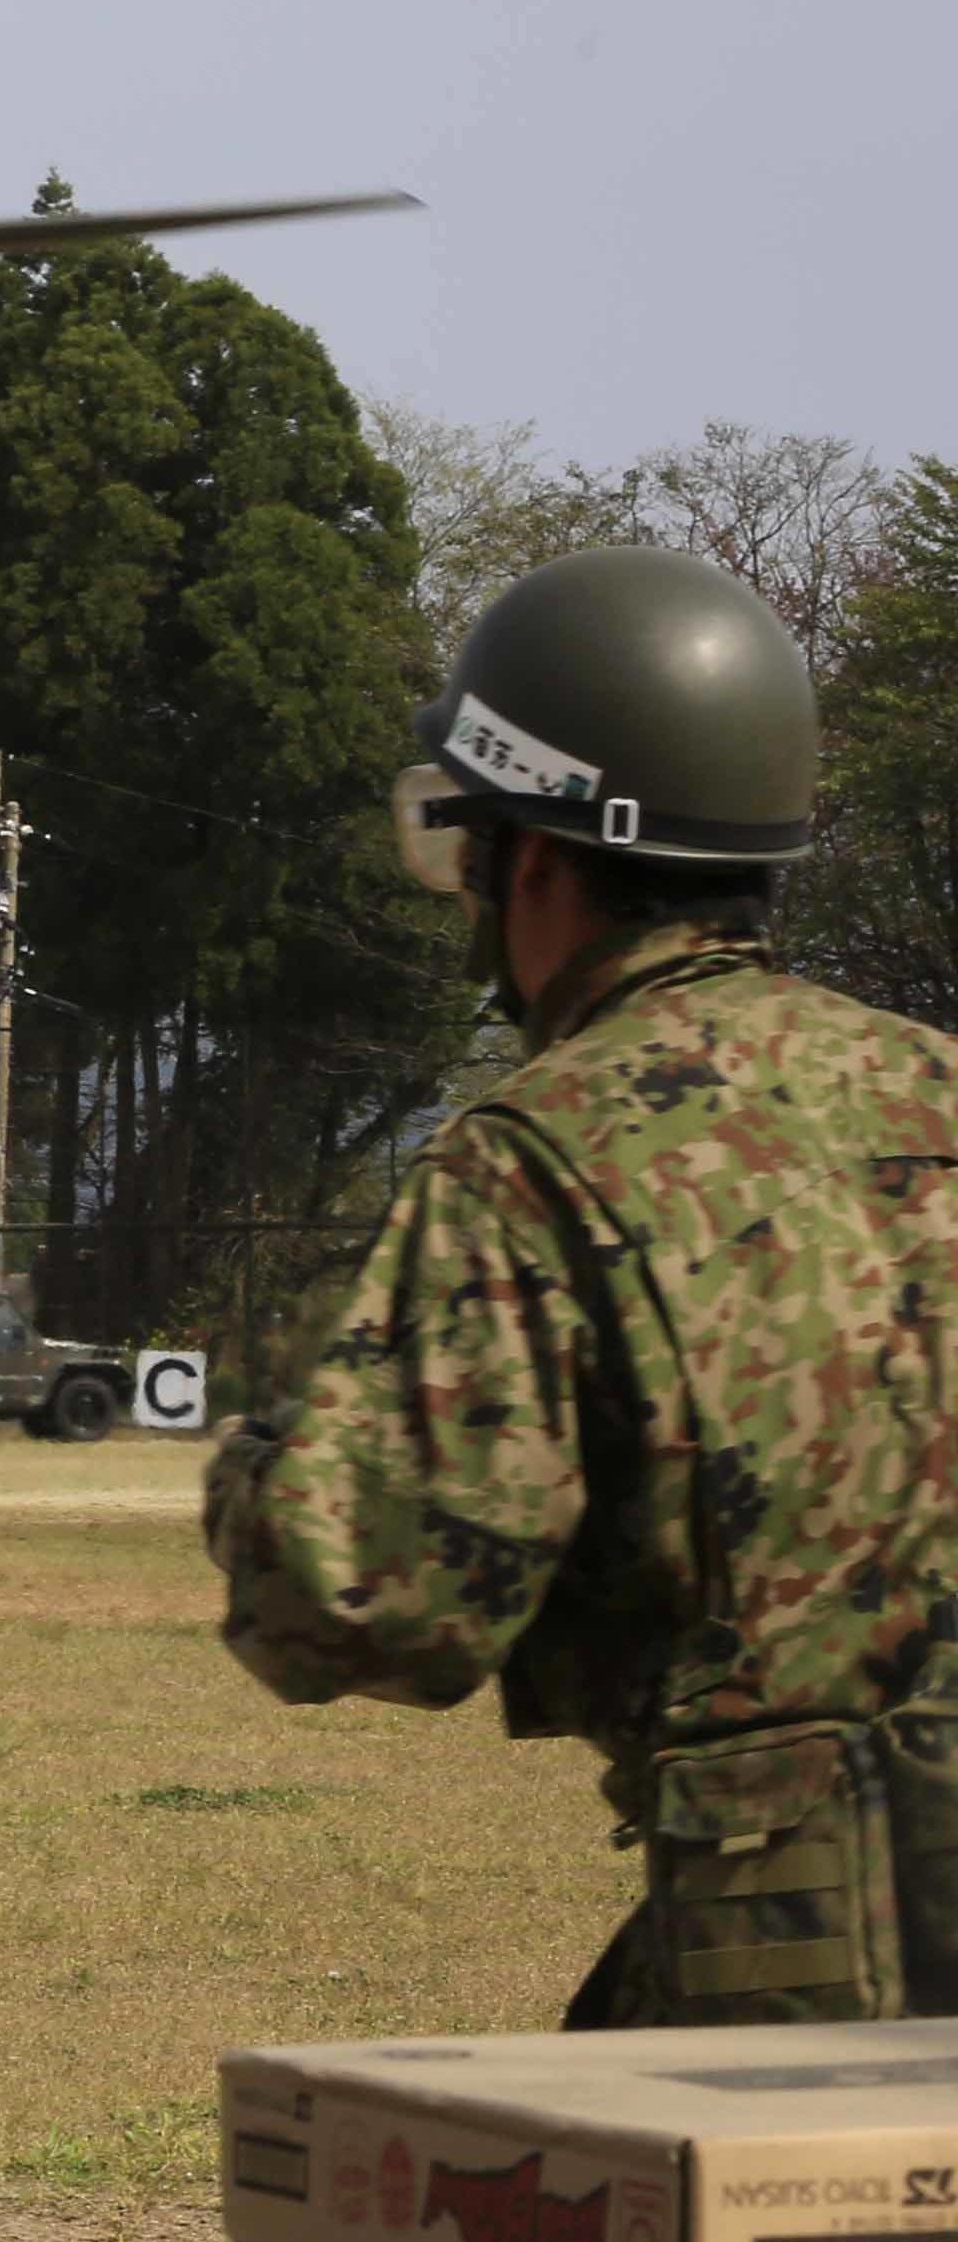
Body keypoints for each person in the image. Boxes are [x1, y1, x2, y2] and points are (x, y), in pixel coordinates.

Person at [213, 547, 956, 2024]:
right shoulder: (940, 1086)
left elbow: (359, 1600)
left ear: (533, 861)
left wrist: (260, 1466)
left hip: (814, 1967)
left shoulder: (540, 1154)